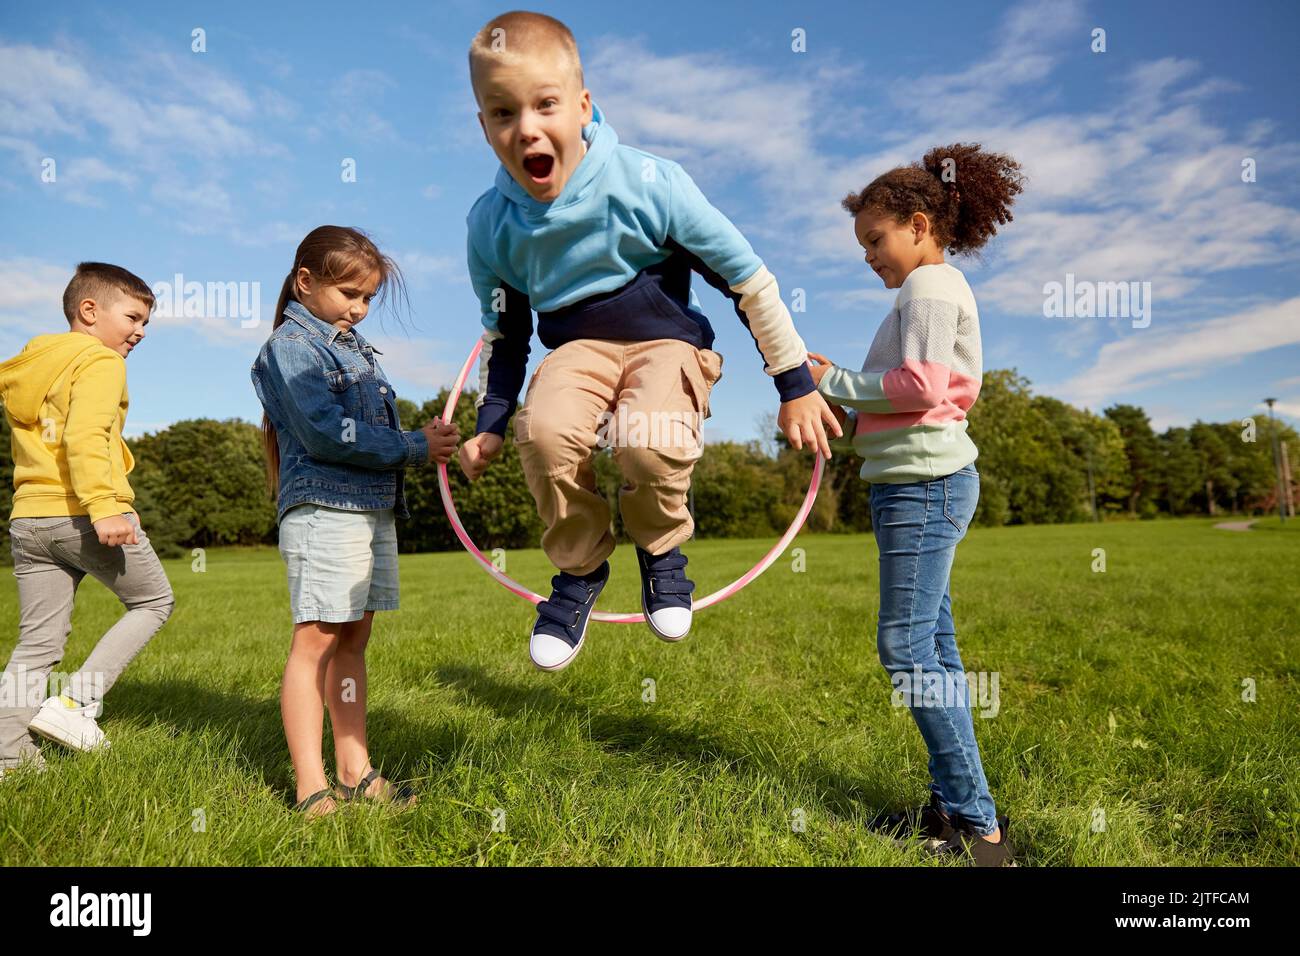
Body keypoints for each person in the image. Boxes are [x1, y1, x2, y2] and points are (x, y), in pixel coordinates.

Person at [459, 10, 840, 672]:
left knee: (647, 437)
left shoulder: (651, 184)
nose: (525, 129)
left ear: (583, 104)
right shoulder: (492, 225)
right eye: (501, 113)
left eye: (545, 104)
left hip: (666, 342)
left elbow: (747, 281)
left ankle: (661, 548)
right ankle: (580, 570)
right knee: (544, 434)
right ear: (484, 126)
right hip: (574, 350)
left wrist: (794, 384)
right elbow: (506, 333)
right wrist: (490, 420)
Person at [808, 143, 1024, 866]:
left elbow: (923, 387)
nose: (870, 255)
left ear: (920, 224)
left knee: (904, 648)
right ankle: (953, 811)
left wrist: (831, 379)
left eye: (876, 239)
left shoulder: (929, 290)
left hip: (923, 487)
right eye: (864, 244)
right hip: (916, 484)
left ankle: (979, 830)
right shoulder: (928, 291)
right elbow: (914, 391)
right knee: (934, 649)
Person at [250, 225, 459, 817]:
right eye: (350, 294)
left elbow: (370, 432)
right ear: (305, 282)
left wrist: (425, 442)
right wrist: (414, 446)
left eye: (368, 298)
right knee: (314, 642)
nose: (361, 310)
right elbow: (325, 432)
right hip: (325, 511)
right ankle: (310, 786)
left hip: (370, 508)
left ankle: (354, 770)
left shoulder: (355, 348)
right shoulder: (290, 349)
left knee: (353, 640)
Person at [0, 262, 174, 780]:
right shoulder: (99, 361)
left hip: (29, 519)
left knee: (37, 644)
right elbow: (85, 437)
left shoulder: (33, 366)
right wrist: (106, 506)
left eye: (146, 322)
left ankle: (9, 756)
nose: (140, 331)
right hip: (78, 513)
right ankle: (75, 705)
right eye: (133, 317)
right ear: (90, 310)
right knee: (153, 599)